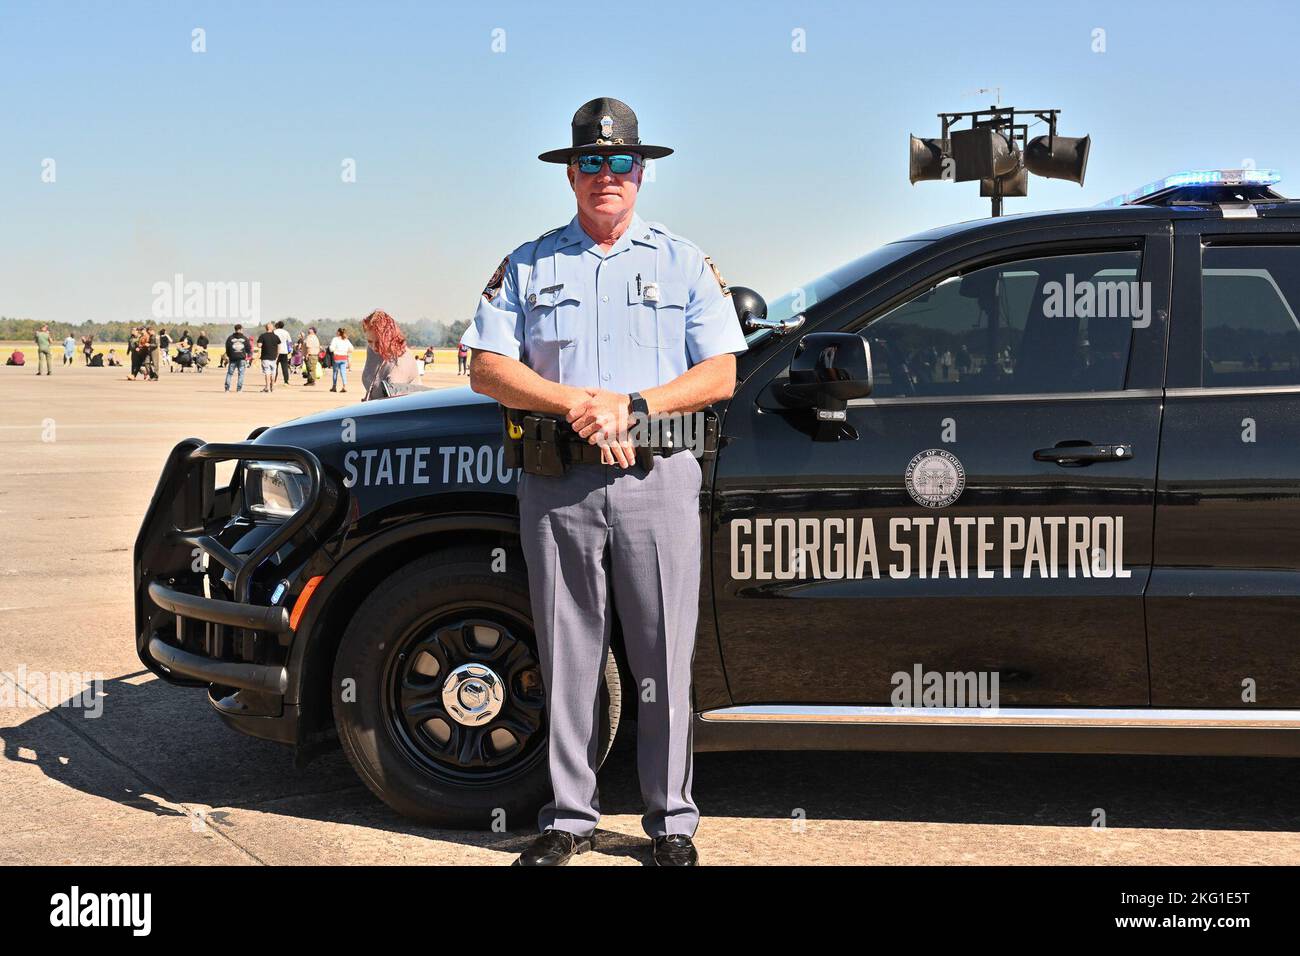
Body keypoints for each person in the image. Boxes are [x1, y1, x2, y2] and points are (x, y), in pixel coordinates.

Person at [464, 97, 747, 867]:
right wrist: (576, 404)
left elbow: (722, 371)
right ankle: (569, 816)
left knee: (662, 659)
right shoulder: (529, 263)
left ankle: (672, 823)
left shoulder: (683, 261)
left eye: (620, 162)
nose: (606, 176)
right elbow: (486, 364)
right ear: (571, 175)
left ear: (641, 171)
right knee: (567, 655)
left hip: (658, 479)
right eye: (590, 162)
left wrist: (635, 405)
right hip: (559, 486)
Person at [360, 310, 419, 400]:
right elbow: (372, 386)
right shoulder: (372, 350)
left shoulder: (402, 359)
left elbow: (394, 401)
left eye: (379, 342)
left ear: (389, 336)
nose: (374, 347)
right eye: (370, 341)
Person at [224, 323, 250, 392]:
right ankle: (239, 389)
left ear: (235, 329)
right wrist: (247, 355)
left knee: (229, 373)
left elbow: (227, 348)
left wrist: (230, 356)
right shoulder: (245, 338)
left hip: (233, 358)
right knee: (241, 374)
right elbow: (248, 349)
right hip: (242, 358)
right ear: (241, 329)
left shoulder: (230, 338)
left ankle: (227, 389)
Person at [256, 322, 281, 393]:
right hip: (273, 357)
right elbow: (279, 347)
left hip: (265, 357)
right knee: (273, 372)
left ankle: (267, 387)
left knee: (267, 372)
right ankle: (272, 387)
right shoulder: (276, 337)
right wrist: (277, 355)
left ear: (266, 328)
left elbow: (259, 345)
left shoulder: (262, 336)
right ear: (272, 328)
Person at [328, 328, 353, 392]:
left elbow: (331, 349)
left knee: (335, 372)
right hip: (344, 357)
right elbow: (351, 348)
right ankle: (344, 386)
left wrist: (335, 350)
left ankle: (334, 387)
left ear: (338, 332)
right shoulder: (346, 340)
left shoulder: (335, 339)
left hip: (337, 357)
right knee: (343, 372)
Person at [274, 320, 292, 386]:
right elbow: (289, 342)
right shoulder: (286, 332)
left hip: (276, 351)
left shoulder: (274, 332)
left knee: (275, 366)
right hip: (284, 351)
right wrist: (289, 350)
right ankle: (286, 381)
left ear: (277, 325)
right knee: (284, 367)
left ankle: (274, 381)